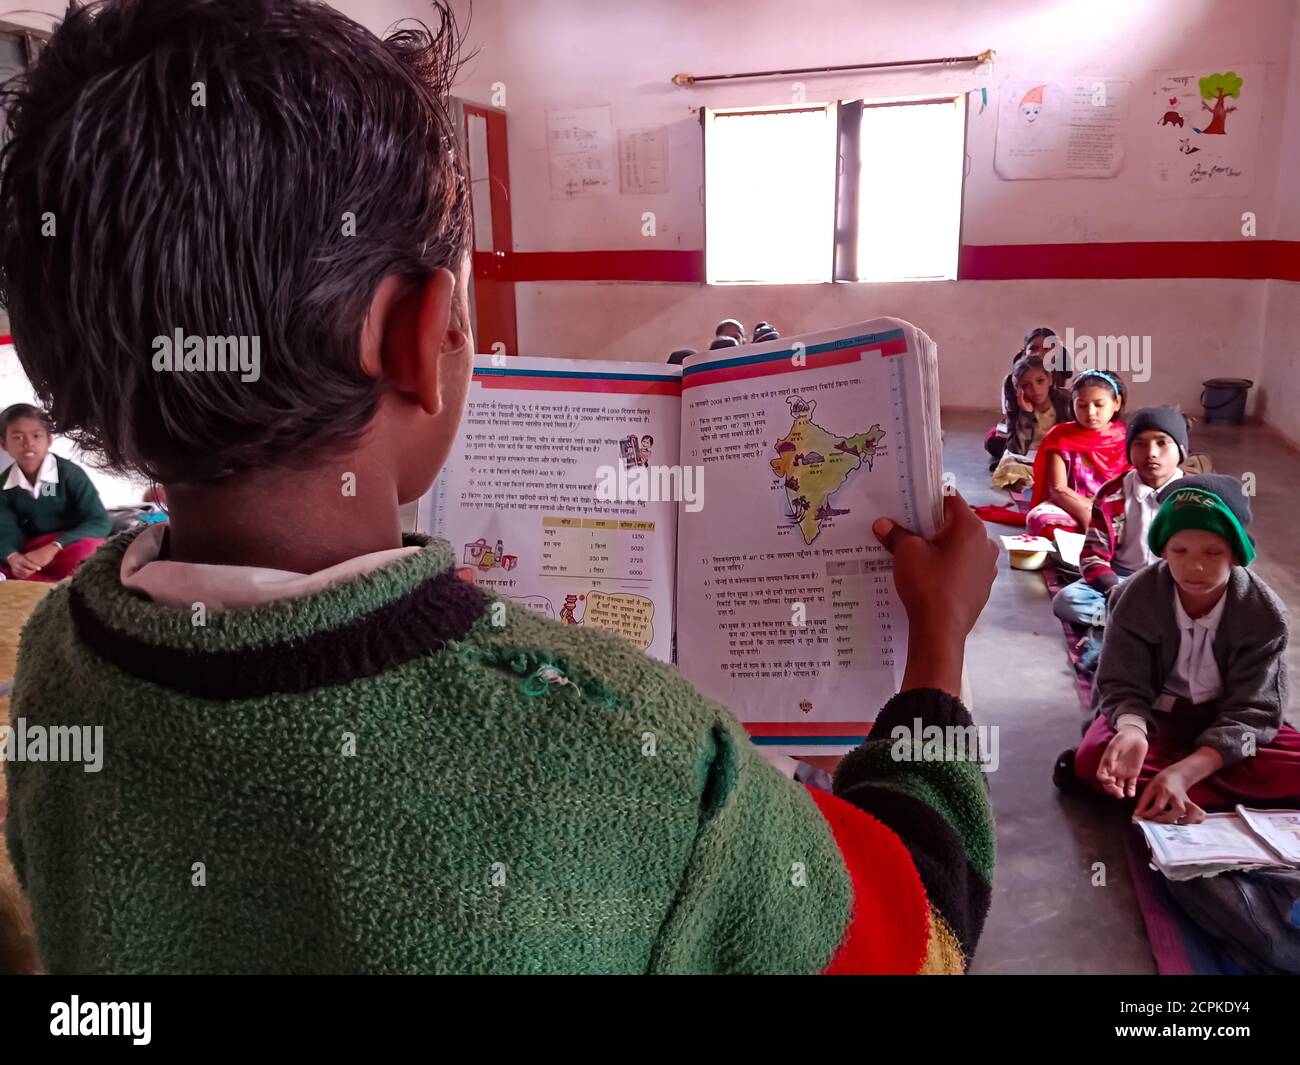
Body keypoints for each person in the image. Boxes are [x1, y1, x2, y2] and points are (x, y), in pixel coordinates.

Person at [0, 0, 996, 975]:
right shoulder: (625, 748)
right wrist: (938, 646)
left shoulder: (57, 662)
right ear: (420, 339)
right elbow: (920, 936)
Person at [1058, 476, 1300, 817]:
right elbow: (1120, 683)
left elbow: (1255, 711)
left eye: (1213, 552)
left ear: (1235, 553)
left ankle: (1166, 785)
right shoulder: (1134, 598)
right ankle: (1179, 788)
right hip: (1157, 716)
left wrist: (1185, 772)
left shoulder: (1263, 615)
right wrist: (1131, 730)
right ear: (1163, 550)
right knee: (1094, 759)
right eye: (1179, 551)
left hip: (1225, 719)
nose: (1195, 566)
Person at [1052, 407, 1186, 627]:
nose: (1151, 452)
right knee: (1067, 601)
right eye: (1140, 443)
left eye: (1162, 442)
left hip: (1176, 580)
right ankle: (1152, 623)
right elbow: (1093, 554)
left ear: (1181, 450)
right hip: (1122, 579)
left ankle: (1128, 621)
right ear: (1129, 450)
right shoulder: (1111, 494)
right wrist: (1112, 587)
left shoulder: (1195, 496)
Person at [0, 404, 110, 581]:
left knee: (90, 551)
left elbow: (99, 522)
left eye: (36, 436)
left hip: (69, 545)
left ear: (49, 440)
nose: (29, 444)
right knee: (8, 562)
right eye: (18, 437)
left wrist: (54, 546)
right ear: (4, 444)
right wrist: (13, 557)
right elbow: (5, 530)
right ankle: (34, 578)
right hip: (32, 552)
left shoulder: (69, 474)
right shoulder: (4, 485)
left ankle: (39, 581)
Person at [1023, 370, 1129, 539]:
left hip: (1114, 508)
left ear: (1116, 403)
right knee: (1041, 520)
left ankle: (1102, 535)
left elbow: (1132, 487)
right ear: (1072, 405)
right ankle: (1101, 536)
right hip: (1071, 506)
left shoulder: (1126, 438)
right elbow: (1058, 489)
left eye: (1099, 405)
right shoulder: (1060, 436)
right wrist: (1089, 518)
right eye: (1082, 405)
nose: (1090, 412)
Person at [985, 327, 1069, 468]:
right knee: (993, 440)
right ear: (1024, 351)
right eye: (1033, 348)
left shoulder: (1063, 383)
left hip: (1052, 434)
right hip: (1024, 427)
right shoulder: (1012, 380)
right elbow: (1011, 416)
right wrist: (1026, 414)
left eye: (1047, 349)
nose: (1039, 354)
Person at [989, 354, 1072, 492]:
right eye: (1026, 385)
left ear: (1050, 379)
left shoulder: (1065, 400)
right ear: (1018, 389)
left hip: (1059, 455)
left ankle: (1038, 479)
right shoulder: (1017, 407)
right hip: (1030, 456)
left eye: (1040, 381)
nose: (1035, 389)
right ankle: (1028, 481)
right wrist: (1026, 414)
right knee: (1009, 463)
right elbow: (1017, 449)